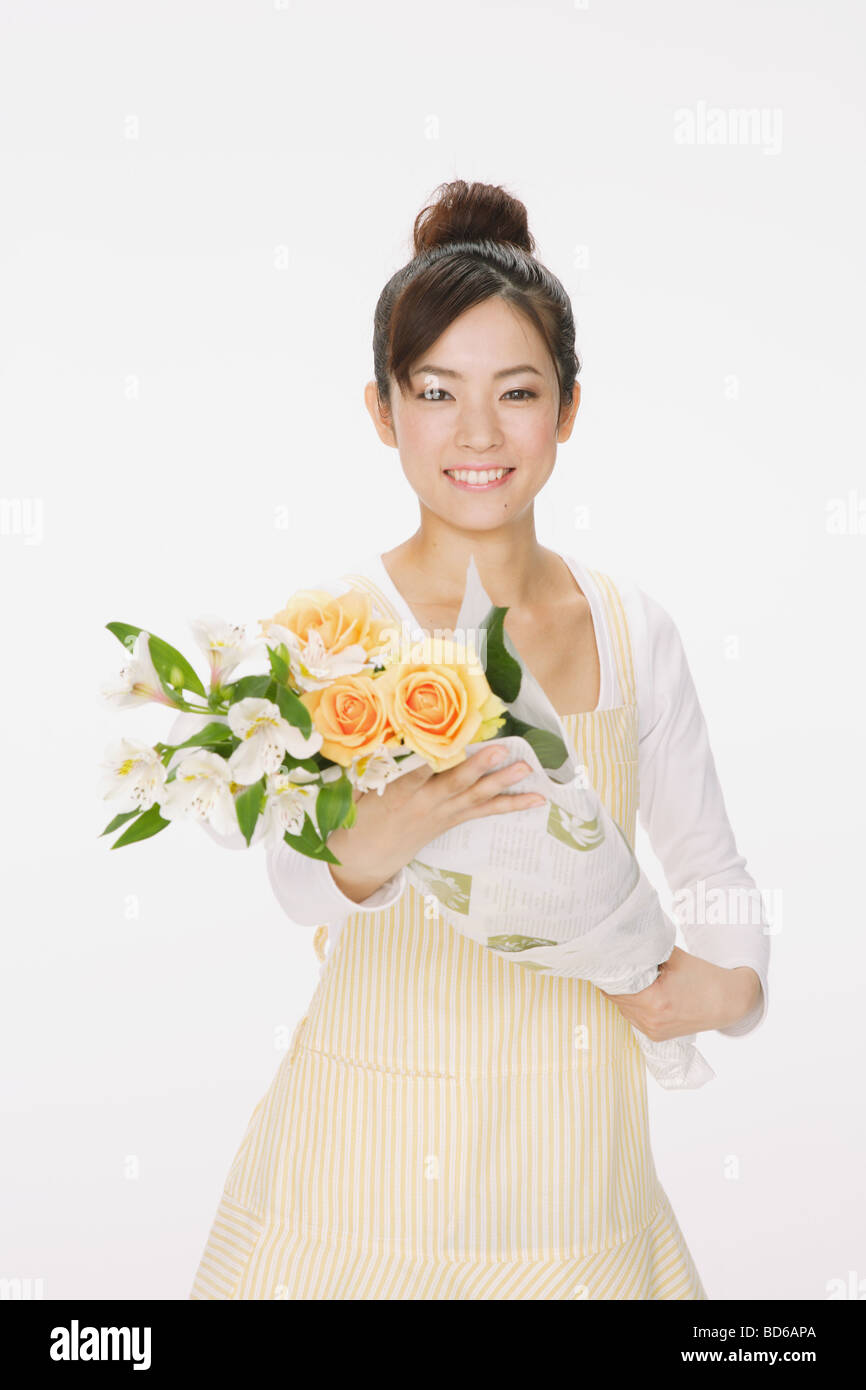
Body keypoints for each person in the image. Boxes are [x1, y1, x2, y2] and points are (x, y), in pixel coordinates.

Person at [189, 179, 769, 1300]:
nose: (476, 434)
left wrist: (732, 993)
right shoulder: (329, 630)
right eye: (435, 391)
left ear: (567, 409)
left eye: (515, 392)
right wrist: (382, 835)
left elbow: (712, 871)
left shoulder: (627, 626)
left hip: (573, 1166)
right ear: (381, 410)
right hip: (361, 1163)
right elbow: (296, 889)